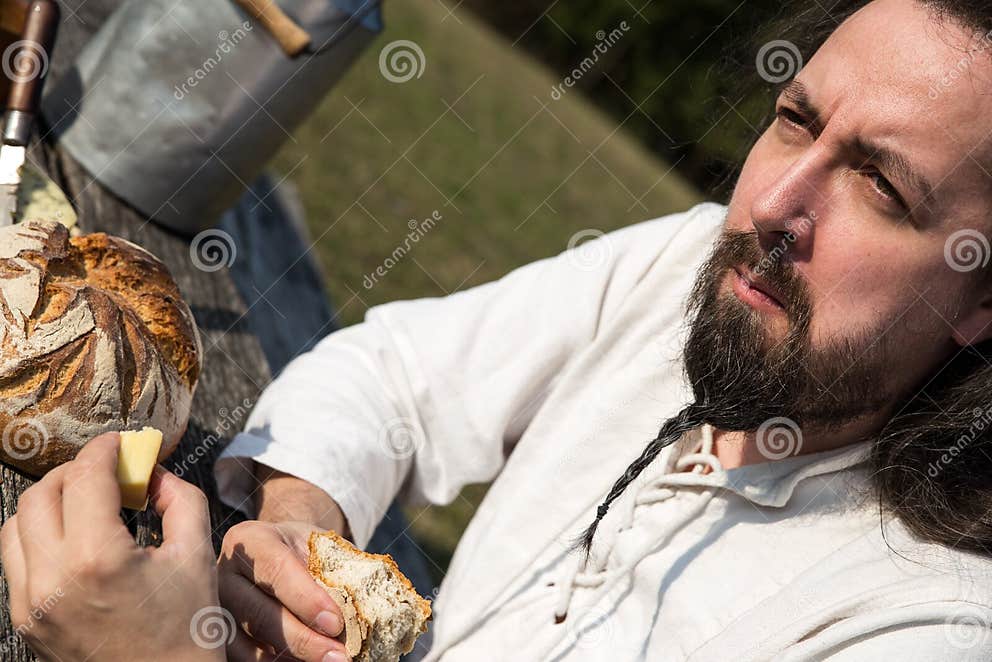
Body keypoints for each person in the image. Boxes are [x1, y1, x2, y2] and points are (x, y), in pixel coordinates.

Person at [7, 0, 992, 659]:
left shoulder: (922, 627)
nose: (770, 205)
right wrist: (302, 524)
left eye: (880, 185)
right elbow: (396, 375)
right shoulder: (693, 265)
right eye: (793, 119)